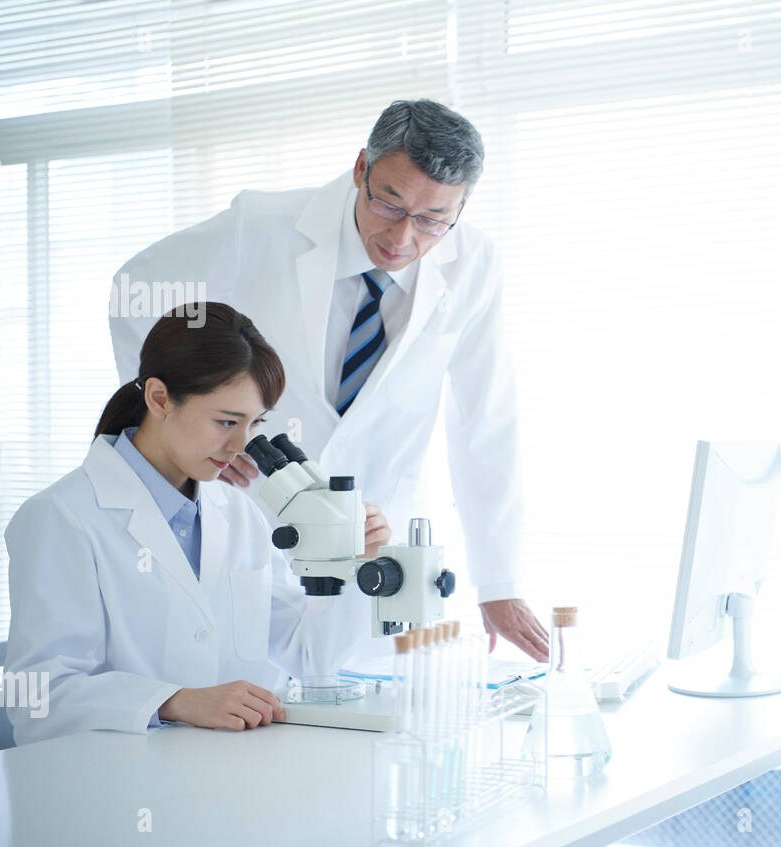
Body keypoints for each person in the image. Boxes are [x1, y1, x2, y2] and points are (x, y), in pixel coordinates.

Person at [108, 99, 548, 661]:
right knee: (240, 718)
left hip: (372, 561)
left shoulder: (475, 265)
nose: (404, 238)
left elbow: (485, 423)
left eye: (434, 219)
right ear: (361, 168)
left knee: (359, 722)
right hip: (250, 535)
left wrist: (499, 582)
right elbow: (134, 292)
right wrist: (186, 437)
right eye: (389, 204)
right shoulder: (260, 227)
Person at [4, 304, 389, 746]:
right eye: (226, 421)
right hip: (116, 787)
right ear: (159, 398)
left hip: (227, 777)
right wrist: (175, 701)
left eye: (256, 423)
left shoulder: (239, 512)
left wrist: (361, 564)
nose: (242, 445)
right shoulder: (61, 517)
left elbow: (310, 655)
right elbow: (39, 697)